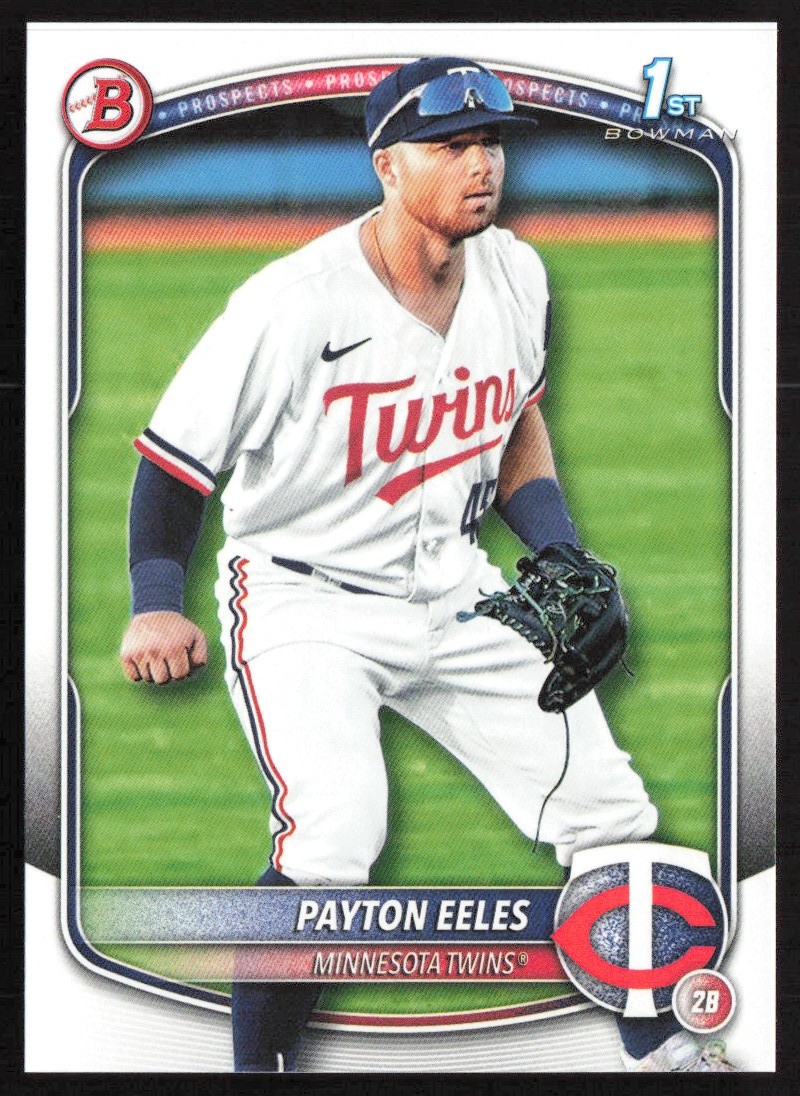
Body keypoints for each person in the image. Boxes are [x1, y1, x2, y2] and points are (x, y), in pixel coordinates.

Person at [120, 56, 735, 1073]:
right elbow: (173, 462)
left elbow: (514, 423)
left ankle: (665, 1046)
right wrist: (155, 601)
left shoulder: (517, 273)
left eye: (490, 142)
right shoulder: (293, 303)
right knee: (332, 839)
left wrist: (560, 551)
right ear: (386, 165)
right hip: (302, 600)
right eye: (449, 146)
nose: (480, 164)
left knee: (611, 815)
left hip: (454, 587)